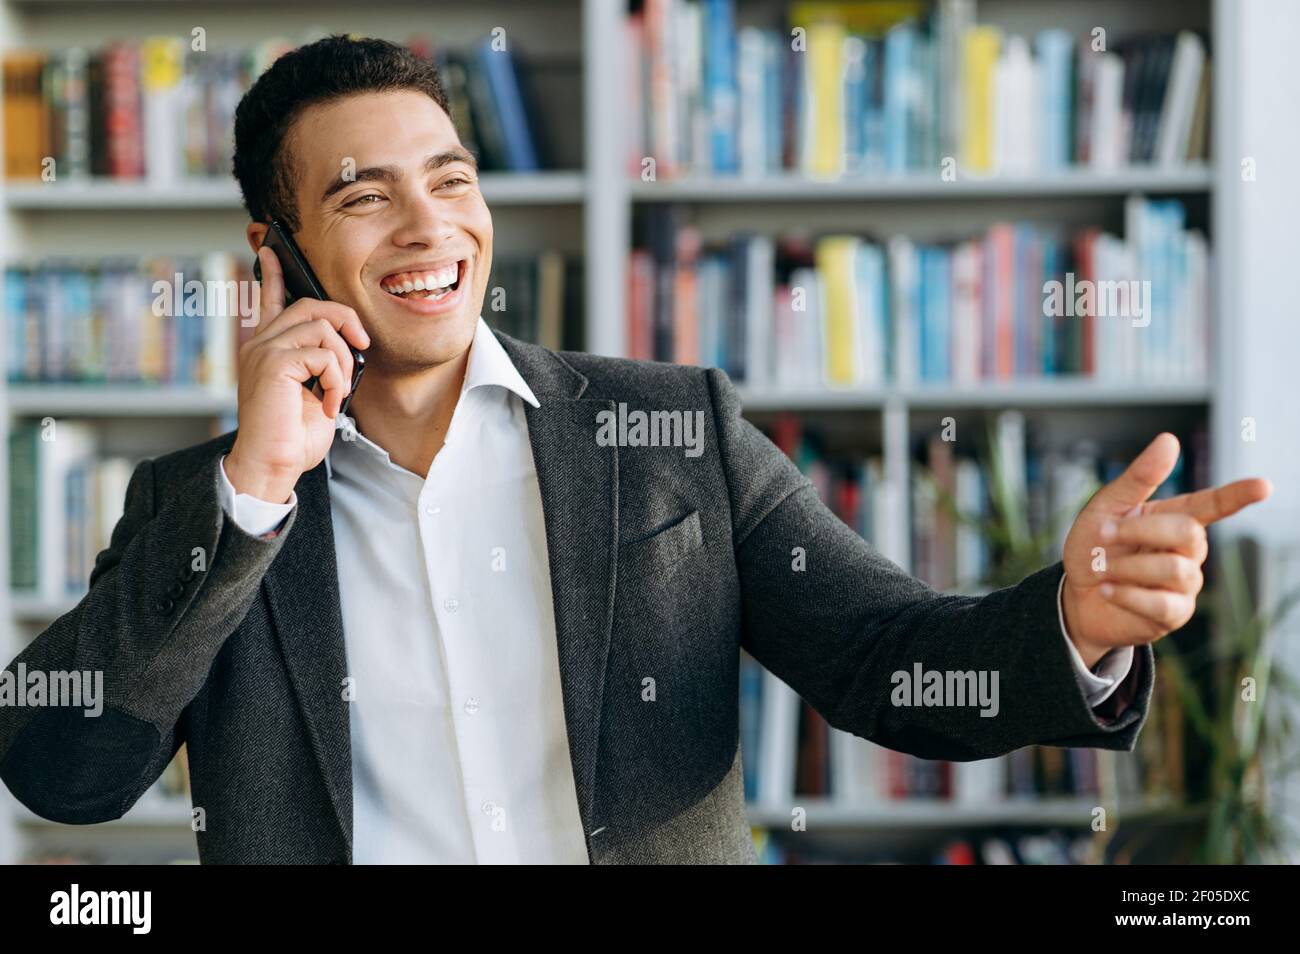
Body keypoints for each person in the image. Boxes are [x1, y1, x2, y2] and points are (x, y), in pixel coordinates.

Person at [0, 35, 1271, 864]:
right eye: (363, 195)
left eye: (450, 179)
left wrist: (1073, 625)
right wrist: (256, 492)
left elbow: (891, 666)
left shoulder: (672, 435)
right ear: (271, 254)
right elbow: (63, 770)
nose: (429, 226)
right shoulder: (201, 505)